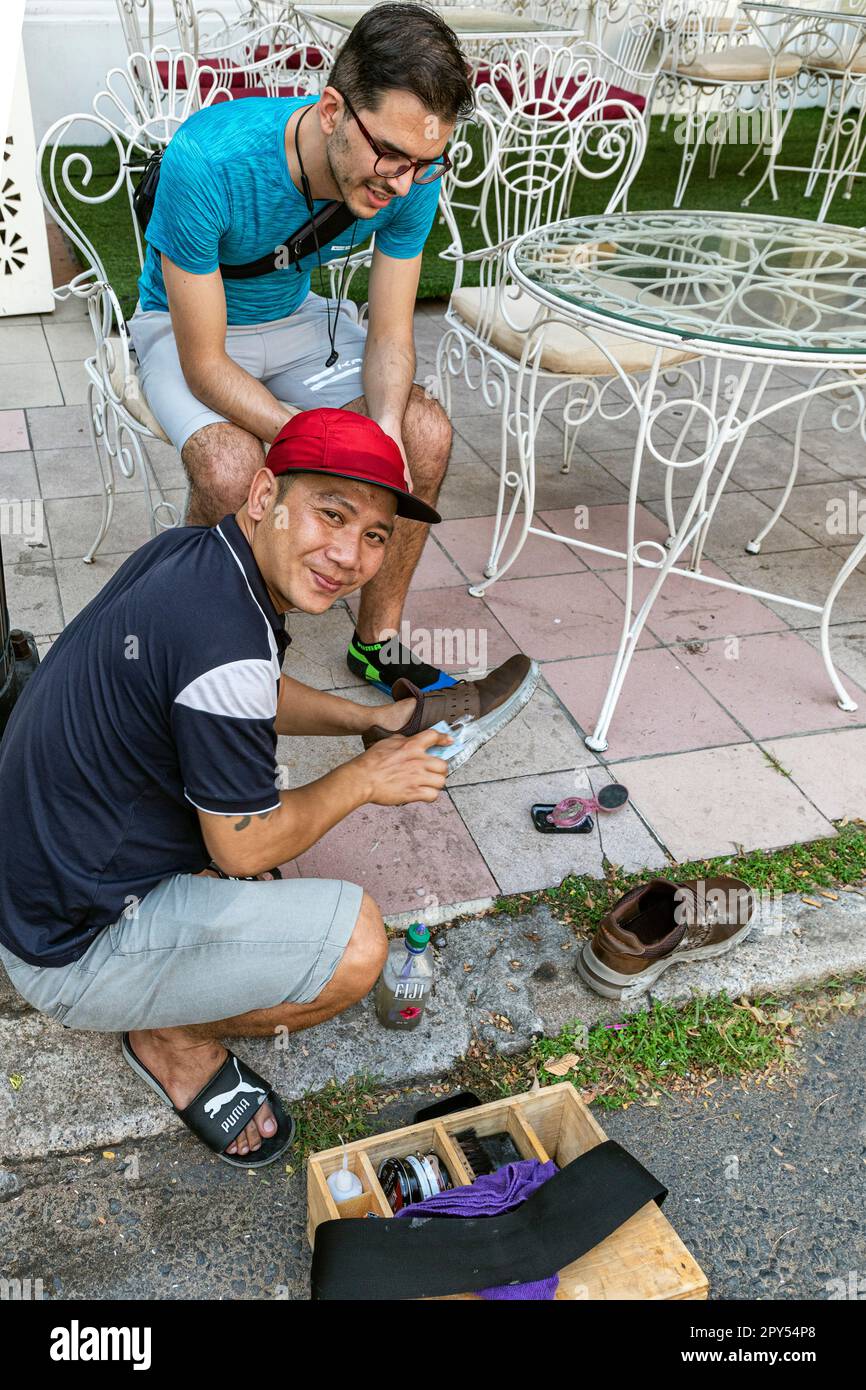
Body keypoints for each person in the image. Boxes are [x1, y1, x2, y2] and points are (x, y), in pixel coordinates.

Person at [0, 408, 537, 1168]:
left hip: (41, 870)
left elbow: (254, 692)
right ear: (262, 496)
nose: (350, 554)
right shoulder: (226, 646)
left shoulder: (193, 556)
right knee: (356, 945)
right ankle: (168, 1035)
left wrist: (368, 718)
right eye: (331, 513)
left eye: (375, 535)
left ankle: (166, 968)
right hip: (65, 947)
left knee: (255, 852)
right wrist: (363, 777)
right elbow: (244, 846)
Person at [130, 2, 474, 697]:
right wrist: (323, 443)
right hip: (186, 327)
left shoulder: (410, 171)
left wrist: (380, 435)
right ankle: (192, 650)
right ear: (331, 111)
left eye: (424, 163)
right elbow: (206, 364)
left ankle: (375, 644)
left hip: (298, 322)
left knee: (423, 432)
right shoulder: (208, 160)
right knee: (233, 470)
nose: (402, 183)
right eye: (390, 156)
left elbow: (390, 336)